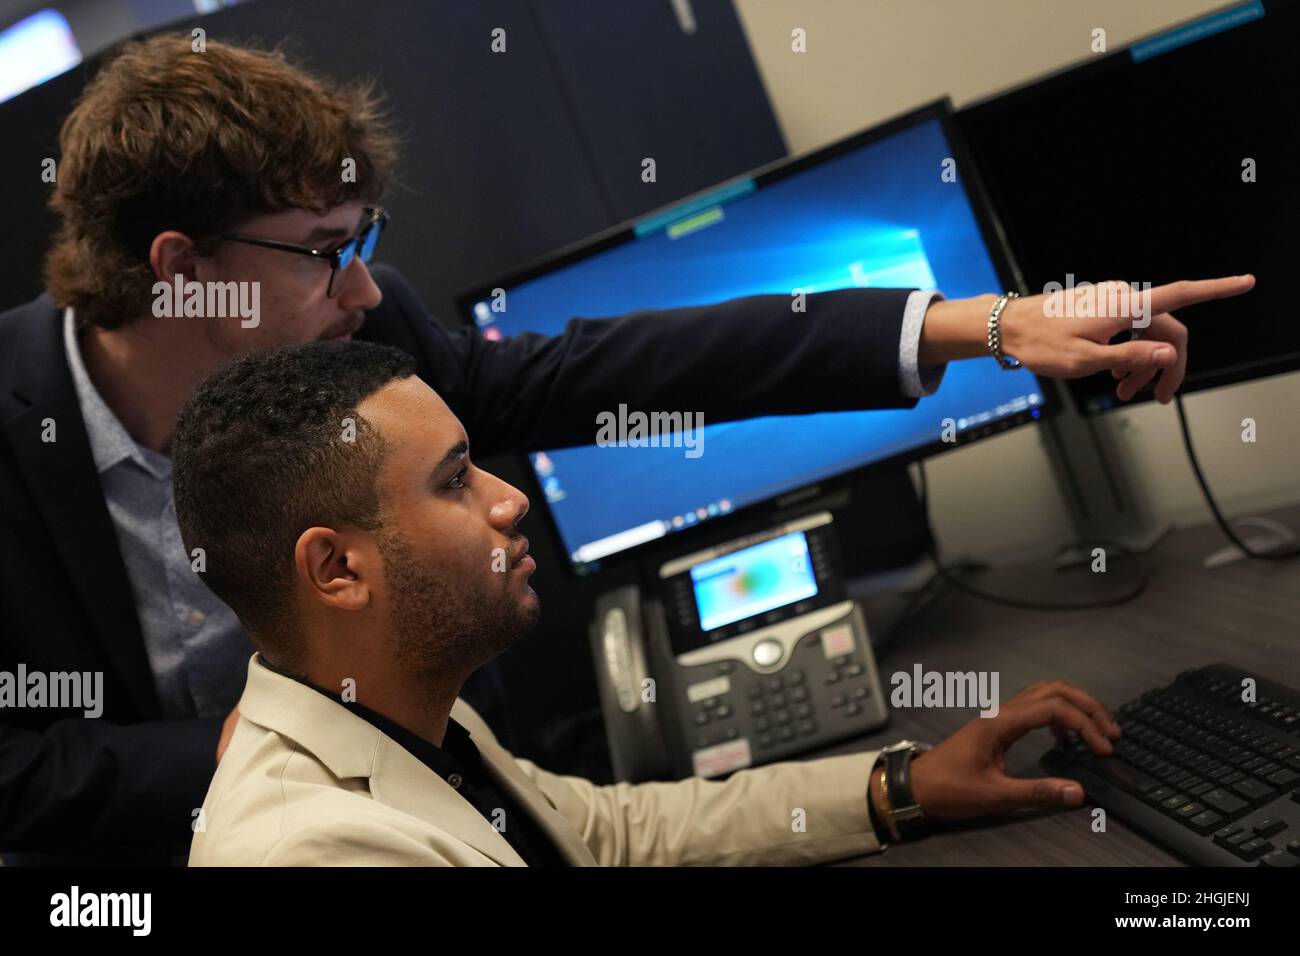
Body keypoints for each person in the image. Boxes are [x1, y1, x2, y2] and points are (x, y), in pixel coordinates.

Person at [0, 31, 1252, 857]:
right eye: (327, 250)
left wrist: (986, 326)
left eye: (364, 240)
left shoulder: (358, 330)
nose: (367, 291)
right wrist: (267, 749)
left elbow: (618, 372)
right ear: (181, 268)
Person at [178, 341, 1129, 865]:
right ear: (336, 571)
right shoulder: (313, 852)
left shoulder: (401, 714)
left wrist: (902, 787)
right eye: (456, 479)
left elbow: (607, 836)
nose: (510, 500)